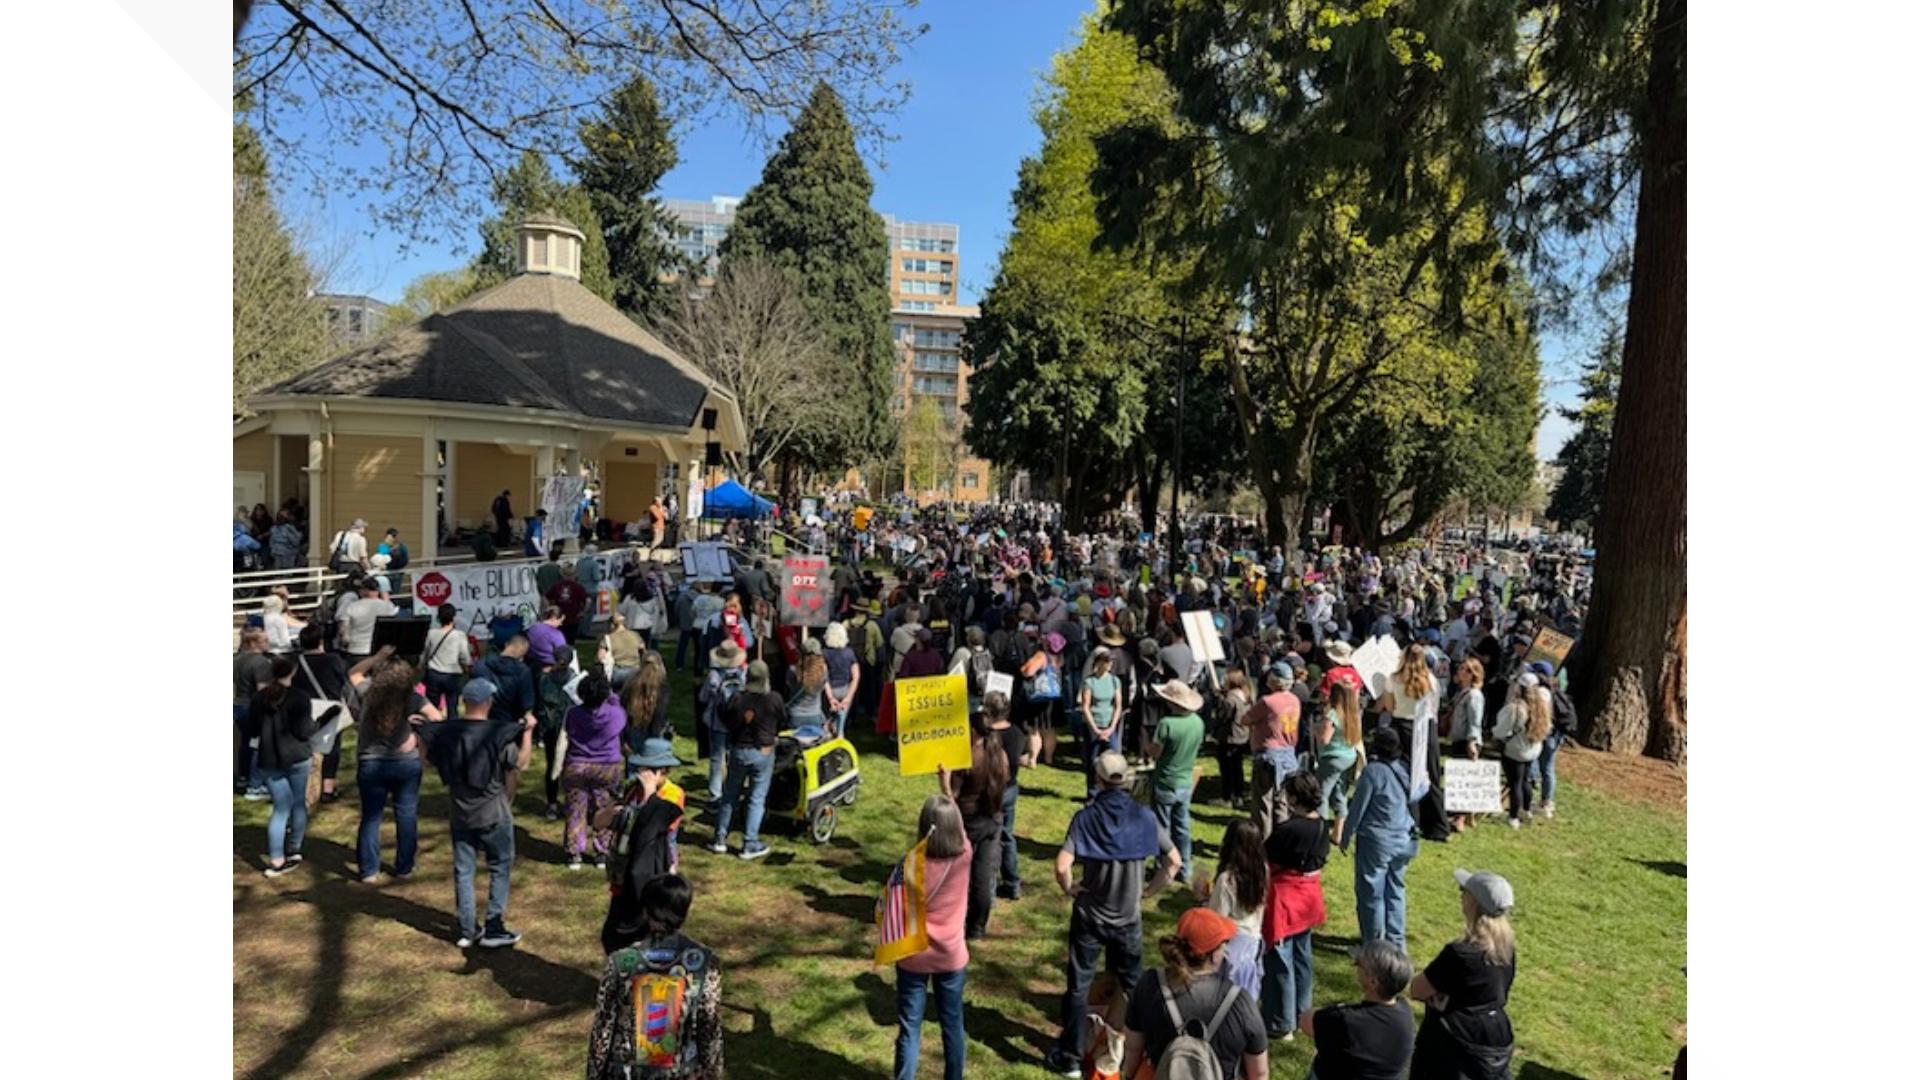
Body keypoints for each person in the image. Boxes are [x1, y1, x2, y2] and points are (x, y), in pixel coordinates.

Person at [1044, 750, 1181, 1076]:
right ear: (1126, 781)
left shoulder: (1086, 818)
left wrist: (1069, 888)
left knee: (1079, 985)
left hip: (1090, 917)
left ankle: (1072, 1058)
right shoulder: (1144, 817)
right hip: (1128, 918)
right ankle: (1126, 1053)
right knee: (1133, 986)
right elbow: (1174, 861)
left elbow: (1062, 865)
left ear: (1098, 779)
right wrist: (1149, 891)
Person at [425, 679, 534, 949]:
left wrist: (421, 736)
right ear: (488, 702)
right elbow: (521, 762)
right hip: (494, 813)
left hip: (460, 812)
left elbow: (426, 760)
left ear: (464, 701)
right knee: (499, 866)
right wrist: (528, 733)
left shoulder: (447, 735)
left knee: (464, 870)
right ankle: (494, 926)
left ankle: (467, 928)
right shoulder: (497, 737)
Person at [587, 874, 724, 1080]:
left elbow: (603, 1030)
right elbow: (709, 1029)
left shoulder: (620, 961)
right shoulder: (704, 963)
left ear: (646, 911)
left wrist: (593, 1075)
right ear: (684, 912)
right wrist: (713, 1073)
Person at [1118, 907, 1270, 1080]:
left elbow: (1133, 1048)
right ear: (1214, 955)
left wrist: (1129, 1075)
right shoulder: (1239, 1002)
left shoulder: (1149, 985)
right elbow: (1259, 1072)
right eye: (1224, 944)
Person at [893, 794, 974, 1080]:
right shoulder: (965, 855)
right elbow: (959, 827)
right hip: (950, 957)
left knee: (909, 1028)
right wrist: (947, 787)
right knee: (952, 1025)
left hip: (913, 956)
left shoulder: (910, 864)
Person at [1408, 871, 1518, 1080]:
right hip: (1493, 1038)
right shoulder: (1507, 951)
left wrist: (1439, 996)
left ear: (1473, 902)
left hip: (1450, 1045)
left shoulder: (1460, 954)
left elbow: (1417, 989)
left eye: (1464, 891)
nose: (1460, 896)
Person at [595, 740, 688, 953]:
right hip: (624, 870)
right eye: (640, 768)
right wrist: (613, 812)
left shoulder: (673, 794)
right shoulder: (631, 790)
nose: (642, 774)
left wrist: (648, 793)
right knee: (613, 934)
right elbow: (599, 822)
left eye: (648, 769)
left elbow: (653, 825)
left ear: (663, 771)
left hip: (651, 873)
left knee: (644, 932)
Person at [252, 655, 336, 877]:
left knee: (280, 809)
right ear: (294, 671)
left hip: (269, 759)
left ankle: (276, 858)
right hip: (297, 757)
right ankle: (294, 848)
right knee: (298, 803)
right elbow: (305, 731)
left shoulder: (260, 698)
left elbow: (252, 729)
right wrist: (327, 718)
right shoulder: (299, 697)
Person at [1262, 772, 1330, 1040]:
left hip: (1285, 899)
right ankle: (1303, 1011)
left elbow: (1265, 856)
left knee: (1280, 961)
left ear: (1294, 797)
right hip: (1309, 897)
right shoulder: (1323, 825)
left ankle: (1281, 1021)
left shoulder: (1288, 830)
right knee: (1303, 957)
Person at [1342, 728, 1419, 950]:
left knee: (1371, 894)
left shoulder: (1372, 772)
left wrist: (1346, 835)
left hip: (1376, 842)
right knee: (1396, 891)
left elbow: (1358, 807)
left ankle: (1373, 945)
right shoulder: (1406, 769)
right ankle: (1397, 943)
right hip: (1403, 839)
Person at [353, 658, 429, 883]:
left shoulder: (368, 693)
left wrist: (379, 654)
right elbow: (437, 717)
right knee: (406, 814)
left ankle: (368, 869)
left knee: (371, 816)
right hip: (406, 762)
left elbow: (354, 672)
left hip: (371, 761)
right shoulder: (413, 698)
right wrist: (416, 735)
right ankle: (404, 866)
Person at [1300, 939, 1417, 1080]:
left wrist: (1337, 1008)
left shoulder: (1346, 1019)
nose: (1355, 968)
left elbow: (1305, 1020)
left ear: (1373, 982)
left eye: (1358, 965)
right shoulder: (1405, 1011)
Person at [941, 711, 1010, 940]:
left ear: (971, 731)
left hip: (967, 825)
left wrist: (944, 782)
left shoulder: (966, 759)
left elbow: (951, 801)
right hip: (993, 821)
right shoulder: (1000, 756)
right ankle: (977, 928)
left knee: (956, 877)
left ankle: (953, 921)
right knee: (983, 877)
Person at [710, 659, 782, 860]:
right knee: (756, 798)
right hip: (763, 753)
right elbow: (782, 719)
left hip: (738, 751)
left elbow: (724, 716)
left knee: (729, 796)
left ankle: (720, 838)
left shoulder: (736, 699)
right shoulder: (773, 699)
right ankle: (750, 842)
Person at [563, 672, 629, 870]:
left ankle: (574, 853)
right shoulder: (616, 714)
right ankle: (602, 851)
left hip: (577, 765)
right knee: (605, 806)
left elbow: (568, 730)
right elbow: (619, 707)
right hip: (606, 766)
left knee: (576, 808)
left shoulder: (573, 714)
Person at [1198, 819, 1268, 1001]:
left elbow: (1216, 920)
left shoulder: (1227, 879)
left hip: (1231, 944)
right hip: (1253, 941)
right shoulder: (1263, 872)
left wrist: (1204, 901)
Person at [1146, 679, 1207, 886]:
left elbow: (1155, 752)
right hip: (1185, 781)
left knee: (1161, 828)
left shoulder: (1166, 724)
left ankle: (1163, 868)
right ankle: (1185, 868)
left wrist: (1147, 746)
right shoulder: (1198, 723)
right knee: (1182, 826)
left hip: (1165, 780)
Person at [983, 691, 1036, 902]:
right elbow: (1021, 757)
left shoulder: (986, 735)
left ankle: (989, 889)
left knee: (989, 840)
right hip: (1011, 789)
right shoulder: (1016, 733)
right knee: (1007, 835)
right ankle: (1013, 884)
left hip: (990, 791)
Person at [1246, 664, 1302, 838]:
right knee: (1282, 802)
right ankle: (1282, 840)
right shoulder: (1295, 700)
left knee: (1263, 803)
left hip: (1268, 756)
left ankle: (1263, 844)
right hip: (1288, 756)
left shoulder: (1267, 701)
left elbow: (1244, 719)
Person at [1489, 673, 1551, 828]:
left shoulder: (1516, 708)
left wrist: (1493, 732)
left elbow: (1501, 730)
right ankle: (1526, 809)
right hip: (1532, 750)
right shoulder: (1541, 706)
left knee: (1515, 783)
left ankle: (1513, 817)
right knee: (1525, 781)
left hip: (1515, 751)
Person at [1317, 681, 1367, 846]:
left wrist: (1316, 730)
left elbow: (1324, 739)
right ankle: (1338, 832)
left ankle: (1321, 831)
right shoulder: (1354, 714)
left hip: (1332, 757)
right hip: (1348, 756)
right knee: (1340, 792)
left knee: (1321, 794)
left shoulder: (1332, 714)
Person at [234, 627, 275, 799]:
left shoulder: (236, 659)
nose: (268, 642)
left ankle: (242, 777)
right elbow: (262, 690)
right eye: (264, 640)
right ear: (253, 643)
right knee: (258, 744)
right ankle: (256, 784)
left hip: (238, 704)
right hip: (253, 706)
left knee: (245, 743)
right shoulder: (261, 663)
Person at [1079, 647, 1124, 799]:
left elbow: (1118, 706)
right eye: (1107, 661)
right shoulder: (1089, 681)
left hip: (1109, 726)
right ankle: (1092, 794)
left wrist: (1111, 727)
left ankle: (1112, 792)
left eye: (1111, 661)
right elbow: (1085, 706)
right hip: (1093, 725)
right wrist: (1096, 730)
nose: (1110, 664)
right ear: (1099, 662)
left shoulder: (1114, 681)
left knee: (1114, 759)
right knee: (1092, 761)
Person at [1215, 668, 1255, 808]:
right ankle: (1238, 795)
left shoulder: (1230, 700)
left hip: (1229, 737)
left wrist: (1219, 701)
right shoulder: (1246, 696)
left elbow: (1222, 717)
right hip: (1242, 737)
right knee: (1237, 768)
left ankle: (1227, 797)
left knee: (1227, 769)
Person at [422, 603, 471, 714]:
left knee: (432, 709)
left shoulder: (431, 633)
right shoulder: (460, 635)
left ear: (438, 618)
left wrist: (420, 667)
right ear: (454, 618)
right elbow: (464, 657)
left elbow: (425, 654)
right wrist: (467, 669)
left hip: (433, 673)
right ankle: (452, 729)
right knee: (453, 708)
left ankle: (431, 729)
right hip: (452, 674)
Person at [340, 577, 398, 666]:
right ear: (377, 591)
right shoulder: (388, 606)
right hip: (380, 652)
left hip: (357, 651)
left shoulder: (351, 607)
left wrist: (346, 643)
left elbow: (344, 632)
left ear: (363, 590)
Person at [620, 651, 673, 747]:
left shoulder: (631, 682)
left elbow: (622, 707)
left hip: (632, 732)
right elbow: (660, 713)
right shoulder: (662, 687)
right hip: (654, 736)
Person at [822, 621, 861, 737]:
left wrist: (830, 698)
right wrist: (848, 697)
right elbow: (856, 676)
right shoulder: (849, 653)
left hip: (829, 690)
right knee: (841, 725)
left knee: (826, 724)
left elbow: (824, 678)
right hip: (845, 689)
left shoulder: (824, 654)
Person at [602, 612, 645, 691]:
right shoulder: (635, 635)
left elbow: (601, 657)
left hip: (617, 672)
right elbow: (643, 650)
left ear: (612, 625)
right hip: (635, 671)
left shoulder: (608, 638)